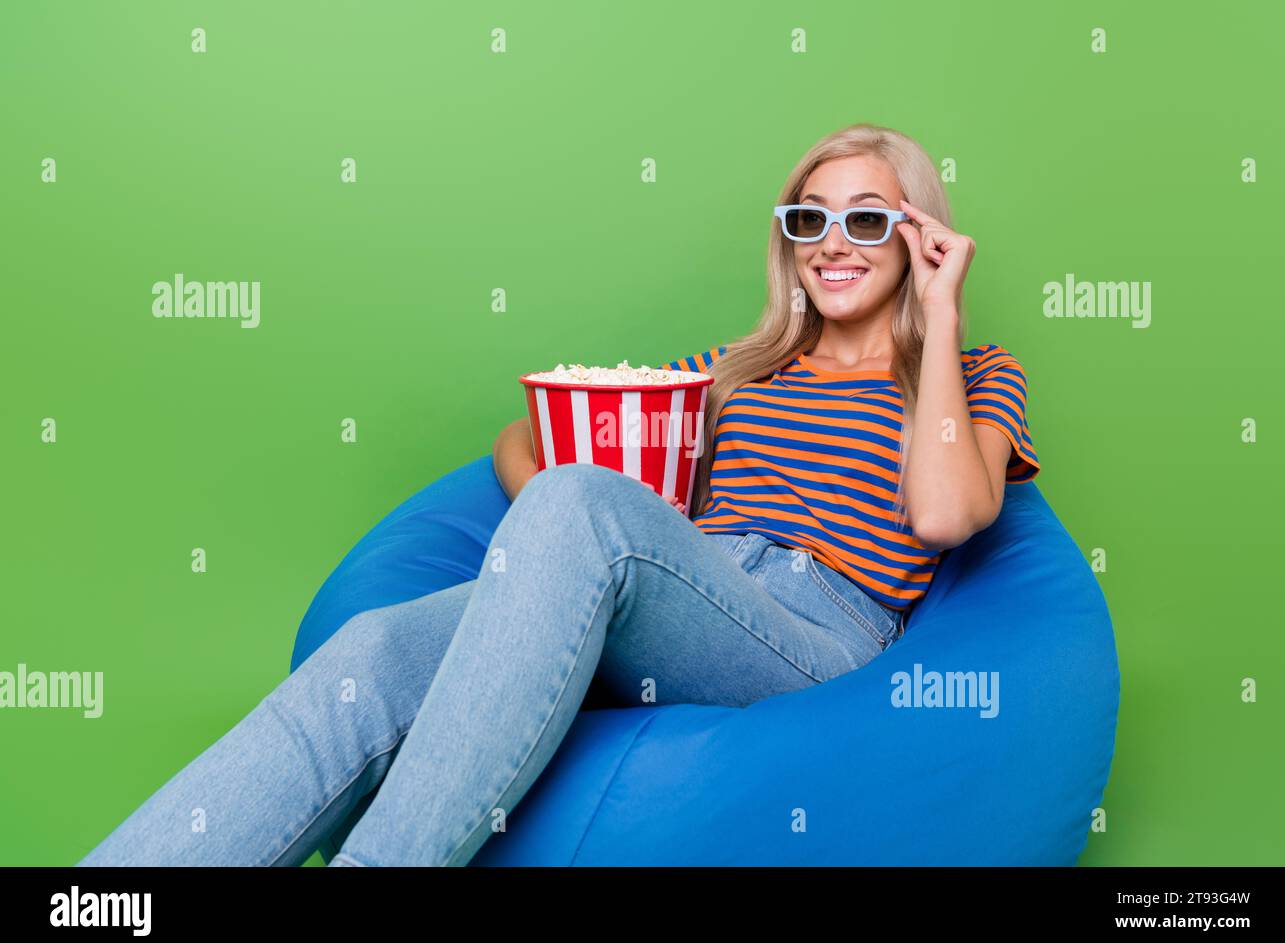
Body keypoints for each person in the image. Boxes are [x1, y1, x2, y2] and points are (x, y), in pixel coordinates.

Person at [77, 122, 1038, 868]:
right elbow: (524, 442)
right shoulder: (736, 372)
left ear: (920, 236)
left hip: (814, 631)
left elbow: (947, 516)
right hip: (672, 593)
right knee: (373, 649)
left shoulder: (975, 373)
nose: (833, 243)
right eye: (808, 219)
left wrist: (941, 317)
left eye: (868, 218)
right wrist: (558, 541)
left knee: (584, 508)